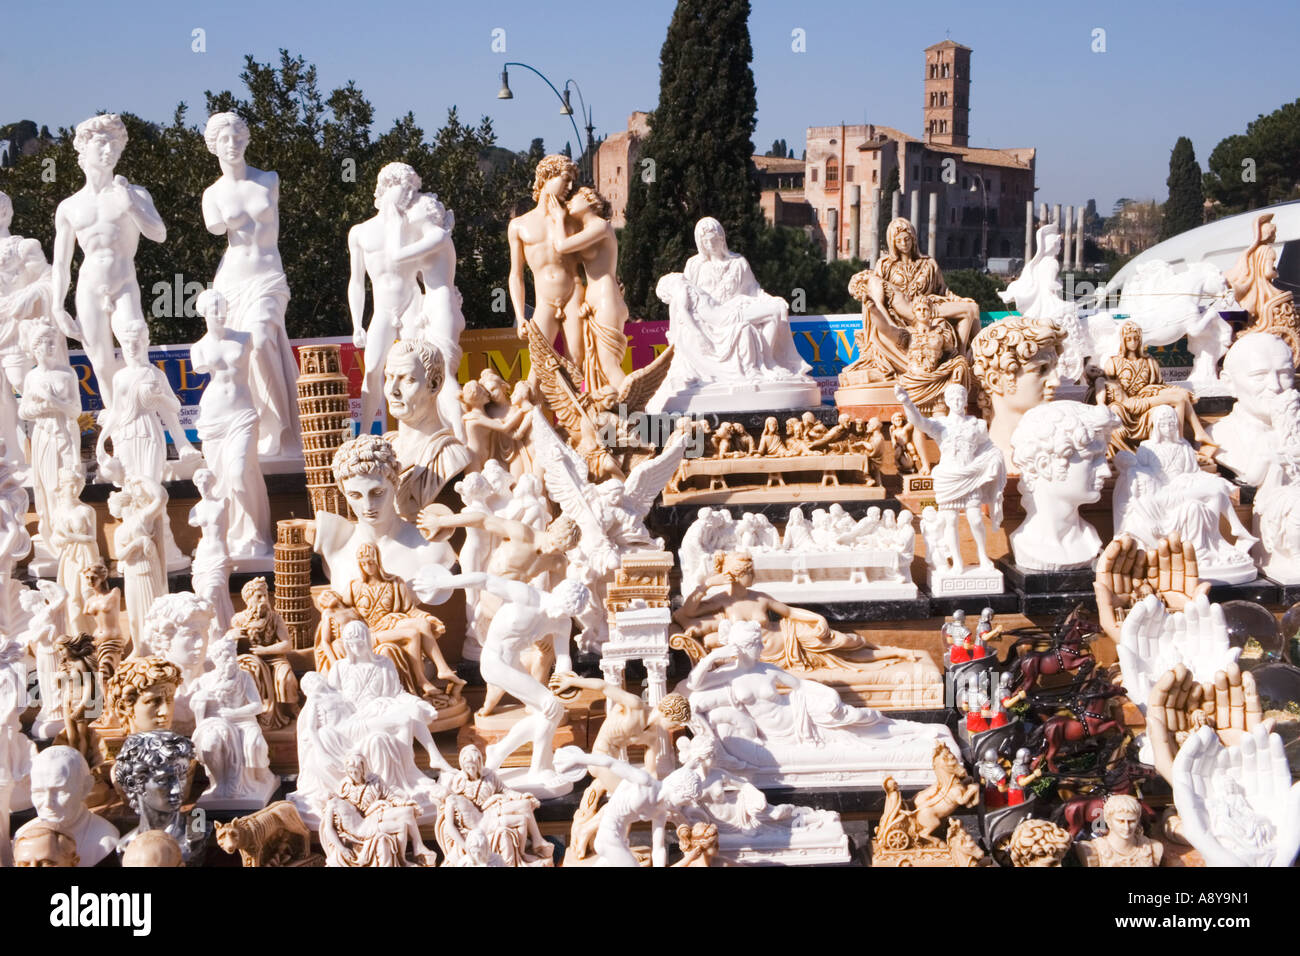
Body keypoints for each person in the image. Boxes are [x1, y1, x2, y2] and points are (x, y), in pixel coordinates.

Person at [201, 111, 301, 457]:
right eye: (224, 139)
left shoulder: (268, 179)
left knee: (259, 342)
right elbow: (216, 228)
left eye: (238, 137)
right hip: (232, 281)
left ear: (246, 139)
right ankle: (249, 423)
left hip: (268, 277)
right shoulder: (212, 194)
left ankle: (275, 424)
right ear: (213, 145)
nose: (232, 144)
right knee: (240, 355)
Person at [52, 114, 166, 405]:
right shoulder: (69, 206)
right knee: (101, 365)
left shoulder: (135, 194)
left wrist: (132, 206)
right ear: (84, 149)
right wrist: (57, 306)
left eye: (115, 147)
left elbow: (159, 234)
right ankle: (120, 432)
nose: (109, 151)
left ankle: (146, 423)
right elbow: (62, 264)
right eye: (103, 144)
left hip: (124, 284)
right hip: (89, 289)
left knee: (136, 354)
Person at [191, 288, 271, 560]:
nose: (221, 313)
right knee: (220, 479)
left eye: (223, 307)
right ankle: (227, 536)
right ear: (203, 312)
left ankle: (258, 535)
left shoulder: (244, 339)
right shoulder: (198, 348)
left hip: (243, 414)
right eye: (215, 309)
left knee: (240, 472)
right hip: (214, 417)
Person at [895, 382, 1005, 572]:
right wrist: (906, 402)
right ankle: (957, 561)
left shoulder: (977, 425)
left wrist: (995, 458)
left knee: (976, 519)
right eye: (953, 398)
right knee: (950, 521)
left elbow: (988, 447)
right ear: (947, 401)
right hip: (948, 477)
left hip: (970, 475)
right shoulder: (940, 425)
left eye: (961, 398)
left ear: (964, 401)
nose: (957, 401)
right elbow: (918, 421)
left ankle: (982, 555)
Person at [548, 186, 628, 391]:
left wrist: (558, 217)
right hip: (593, 300)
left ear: (589, 199)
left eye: (575, 198)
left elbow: (562, 246)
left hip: (605, 297)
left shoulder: (601, 226)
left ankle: (641, 416)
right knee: (598, 367)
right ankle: (615, 414)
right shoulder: (587, 231)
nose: (569, 202)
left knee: (609, 366)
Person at [508, 155, 584, 366]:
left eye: (572, 182)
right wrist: (520, 315)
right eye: (565, 179)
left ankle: (575, 400)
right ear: (547, 177)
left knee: (576, 359)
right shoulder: (518, 225)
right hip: (544, 299)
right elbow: (516, 274)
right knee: (539, 364)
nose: (569, 186)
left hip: (574, 294)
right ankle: (534, 400)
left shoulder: (574, 220)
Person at [1098, 321, 1216, 455]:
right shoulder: (1113, 362)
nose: (1133, 342)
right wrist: (1101, 404)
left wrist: (1175, 389)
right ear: (1123, 340)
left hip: (1146, 397)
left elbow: (1159, 385)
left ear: (1140, 339)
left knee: (1182, 394)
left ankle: (1197, 433)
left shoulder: (1149, 361)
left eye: (1136, 338)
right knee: (1178, 399)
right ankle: (1180, 440)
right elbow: (1103, 388)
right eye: (1129, 339)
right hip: (1130, 405)